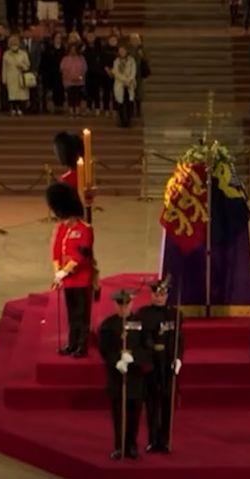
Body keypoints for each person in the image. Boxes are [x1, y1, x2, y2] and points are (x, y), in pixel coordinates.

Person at [98, 290, 152, 460]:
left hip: (135, 376)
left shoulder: (140, 324)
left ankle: (132, 446)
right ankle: (119, 446)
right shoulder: (107, 325)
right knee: (119, 415)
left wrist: (134, 358)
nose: (123, 308)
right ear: (115, 305)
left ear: (131, 304)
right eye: (120, 304)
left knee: (134, 414)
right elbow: (104, 350)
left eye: (126, 304)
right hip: (117, 376)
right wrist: (117, 361)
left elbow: (148, 347)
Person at [48, 182, 95, 357]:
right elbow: (56, 251)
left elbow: (82, 256)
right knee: (71, 314)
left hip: (82, 278)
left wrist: (64, 271)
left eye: (66, 218)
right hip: (67, 279)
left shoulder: (85, 230)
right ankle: (72, 342)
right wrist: (57, 273)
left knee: (82, 314)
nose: (65, 221)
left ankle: (82, 346)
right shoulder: (61, 228)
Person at [139, 278, 184, 453]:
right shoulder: (142, 314)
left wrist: (178, 358)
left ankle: (165, 440)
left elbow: (179, 338)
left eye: (162, 295)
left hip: (168, 363)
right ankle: (153, 439)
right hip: (152, 364)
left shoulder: (175, 314)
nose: (159, 298)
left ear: (167, 296)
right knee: (152, 404)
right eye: (156, 294)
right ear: (151, 295)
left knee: (167, 403)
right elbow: (141, 339)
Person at [2, 35, 31, 116]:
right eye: (12, 42)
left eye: (16, 42)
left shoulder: (23, 53)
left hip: (20, 76)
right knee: (12, 94)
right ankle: (13, 108)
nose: (14, 44)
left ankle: (20, 108)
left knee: (21, 94)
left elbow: (28, 65)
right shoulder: (6, 54)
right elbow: (4, 67)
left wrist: (21, 65)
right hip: (10, 77)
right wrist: (4, 79)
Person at [41, 32, 66, 113]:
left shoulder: (64, 49)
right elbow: (44, 61)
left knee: (60, 90)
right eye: (57, 38)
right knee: (51, 89)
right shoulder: (48, 49)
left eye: (59, 38)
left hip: (61, 73)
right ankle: (51, 107)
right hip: (50, 72)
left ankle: (60, 106)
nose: (58, 39)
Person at [112, 45, 137, 127]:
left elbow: (133, 71)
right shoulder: (116, 61)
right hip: (120, 84)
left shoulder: (131, 60)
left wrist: (129, 80)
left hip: (129, 84)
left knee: (129, 103)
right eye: (120, 51)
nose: (122, 52)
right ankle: (122, 121)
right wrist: (124, 80)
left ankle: (129, 120)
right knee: (120, 103)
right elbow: (116, 73)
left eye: (123, 51)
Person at [60, 43, 88, 117]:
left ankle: (78, 110)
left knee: (78, 95)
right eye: (71, 49)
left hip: (79, 81)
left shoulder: (81, 58)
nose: (73, 51)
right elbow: (63, 69)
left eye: (74, 50)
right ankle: (71, 110)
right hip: (69, 81)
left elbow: (84, 69)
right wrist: (70, 77)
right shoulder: (65, 59)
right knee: (70, 95)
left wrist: (79, 77)